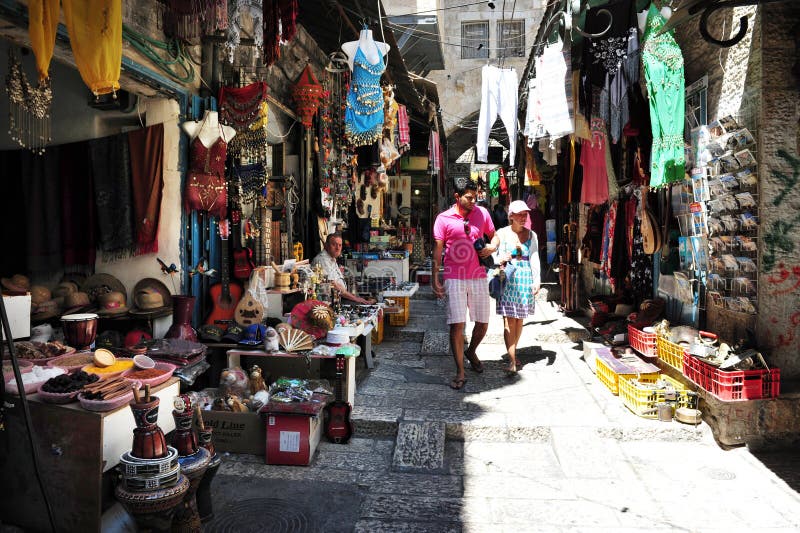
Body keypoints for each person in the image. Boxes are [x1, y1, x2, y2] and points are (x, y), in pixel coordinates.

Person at [432, 179, 496, 390]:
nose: (473, 200)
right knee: (457, 324)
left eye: (475, 196)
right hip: (454, 276)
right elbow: (439, 249)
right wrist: (435, 277)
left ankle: (471, 351)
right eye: (469, 197)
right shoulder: (443, 219)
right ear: (457, 197)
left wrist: (491, 248)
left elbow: (495, 236)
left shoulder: (482, 213)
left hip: (478, 274)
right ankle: (460, 370)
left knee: (483, 322)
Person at [489, 200, 541, 375]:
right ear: (510, 216)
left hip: (525, 280)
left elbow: (534, 258)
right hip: (508, 279)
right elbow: (493, 256)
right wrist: (502, 257)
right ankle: (512, 361)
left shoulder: (532, 235)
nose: (523, 217)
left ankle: (513, 352)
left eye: (525, 214)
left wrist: (537, 280)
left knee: (519, 321)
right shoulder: (501, 233)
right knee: (509, 321)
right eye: (519, 214)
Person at [311, 233, 373, 305]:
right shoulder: (322, 260)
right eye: (334, 244)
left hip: (339, 297)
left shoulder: (331, 258)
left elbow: (339, 285)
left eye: (340, 245)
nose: (338, 248)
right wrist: (356, 299)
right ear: (326, 245)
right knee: (361, 304)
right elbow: (334, 286)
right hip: (329, 302)